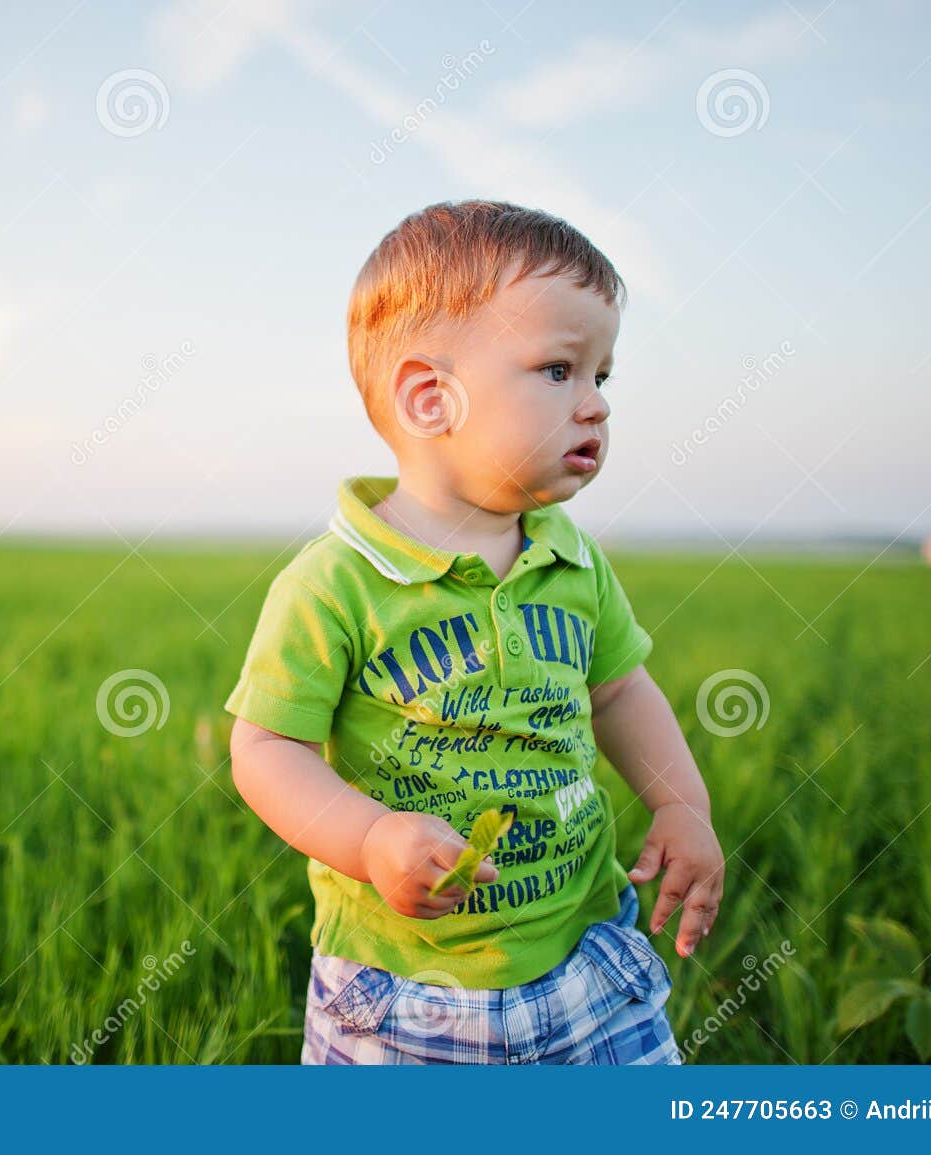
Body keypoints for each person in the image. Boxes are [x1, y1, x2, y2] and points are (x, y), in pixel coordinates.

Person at [223, 199, 724, 1064]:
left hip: (586, 954)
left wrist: (682, 803)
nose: (596, 405)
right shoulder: (336, 582)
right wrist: (370, 836)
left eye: (603, 376)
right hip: (405, 984)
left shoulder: (573, 560)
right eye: (560, 370)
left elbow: (618, 692)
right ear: (431, 398)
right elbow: (267, 747)